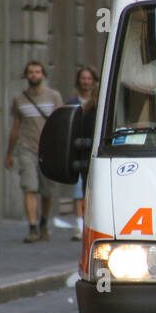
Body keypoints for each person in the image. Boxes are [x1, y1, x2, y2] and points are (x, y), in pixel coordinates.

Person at [5, 61, 65, 242]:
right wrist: (9, 153)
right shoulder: (19, 99)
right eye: (30, 72)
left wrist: (62, 149)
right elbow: (15, 127)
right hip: (26, 149)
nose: (34, 75)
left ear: (43, 75)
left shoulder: (54, 96)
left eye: (37, 72)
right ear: (26, 75)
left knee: (47, 192)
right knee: (29, 187)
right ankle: (32, 228)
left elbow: (61, 124)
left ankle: (43, 222)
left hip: (49, 149)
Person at [67, 66, 99, 241]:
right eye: (83, 78)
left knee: (85, 192)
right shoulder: (74, 105)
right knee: (81, 191)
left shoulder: (96, 110)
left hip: (86, 157)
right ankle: (82, 225)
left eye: (89, 78)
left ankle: (85, 226)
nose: (85, 82)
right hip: (81, 156)